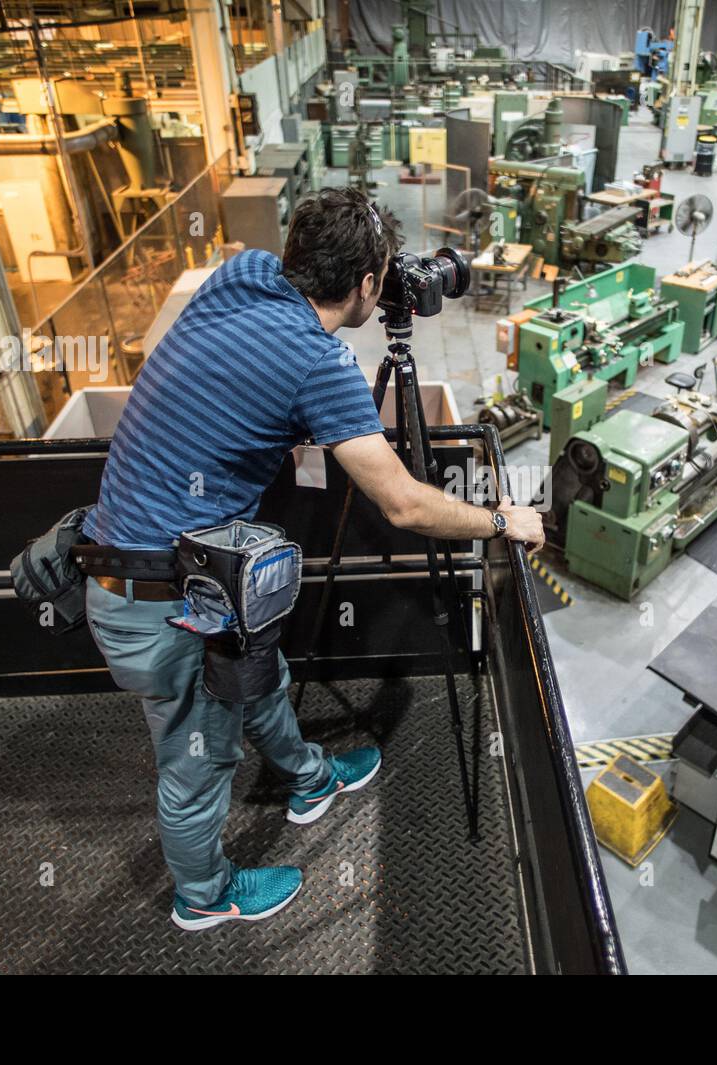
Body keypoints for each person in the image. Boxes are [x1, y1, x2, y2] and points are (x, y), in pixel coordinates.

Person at [83, 187, 544, 931]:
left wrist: (368, 272)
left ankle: (307, 779)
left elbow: (286, 336)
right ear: (367, 285)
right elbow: (403, 503)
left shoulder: (243, 274)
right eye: (382, 277)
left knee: (262, 676)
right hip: (161, 601)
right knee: (198, 759)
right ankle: (203, 897)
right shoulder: (318, 364)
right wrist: (498, 518)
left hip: (184, 572)